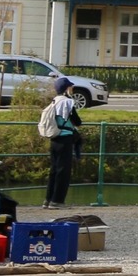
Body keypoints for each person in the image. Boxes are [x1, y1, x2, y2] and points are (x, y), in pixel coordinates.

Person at [42, 78, 83, 209]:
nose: (72, 89)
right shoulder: (67, 103)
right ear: (66, 88)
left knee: (54, 170)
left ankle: (48, 199)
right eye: (70, 87)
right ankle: (57, 201)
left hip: (54, 139)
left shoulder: (54, 101)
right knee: (63, 171)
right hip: (65, 139)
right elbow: (77, 121)